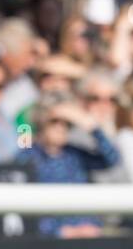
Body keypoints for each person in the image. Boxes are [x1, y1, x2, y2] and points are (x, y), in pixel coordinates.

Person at [21, 91, 122, 238]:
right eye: (55, 121)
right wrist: (60, 231)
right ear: (41, 121)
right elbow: (24, 208)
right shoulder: (28, 157)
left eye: (67, 123)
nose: (61, 127)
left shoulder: (74, 155)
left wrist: (91, 126)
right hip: (49, 245)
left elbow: (112, 159)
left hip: (88, 237)